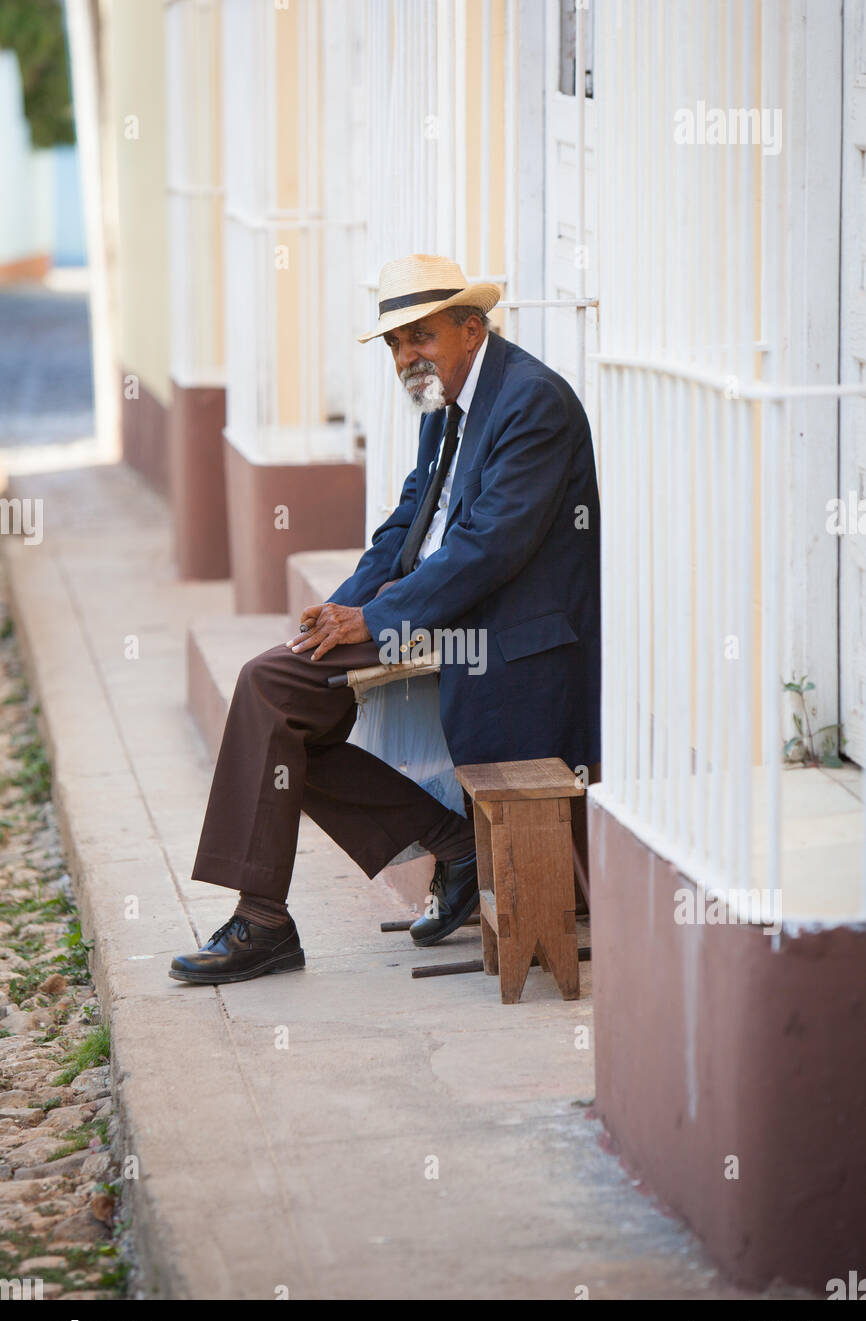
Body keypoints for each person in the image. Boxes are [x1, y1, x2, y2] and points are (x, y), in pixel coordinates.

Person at [169, 253, 600, 986]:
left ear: (471, 328)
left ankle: (270, 921)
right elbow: (409, 523)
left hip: (500, 631)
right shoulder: (451, 401)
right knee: (277, 690)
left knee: (272, 693)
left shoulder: (532, 401)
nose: (408, 357)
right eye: (397, 344)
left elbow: (488, 547)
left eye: (420, 337)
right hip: (431, 609)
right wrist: (346, 606)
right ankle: (434, 853)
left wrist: (376, 618)